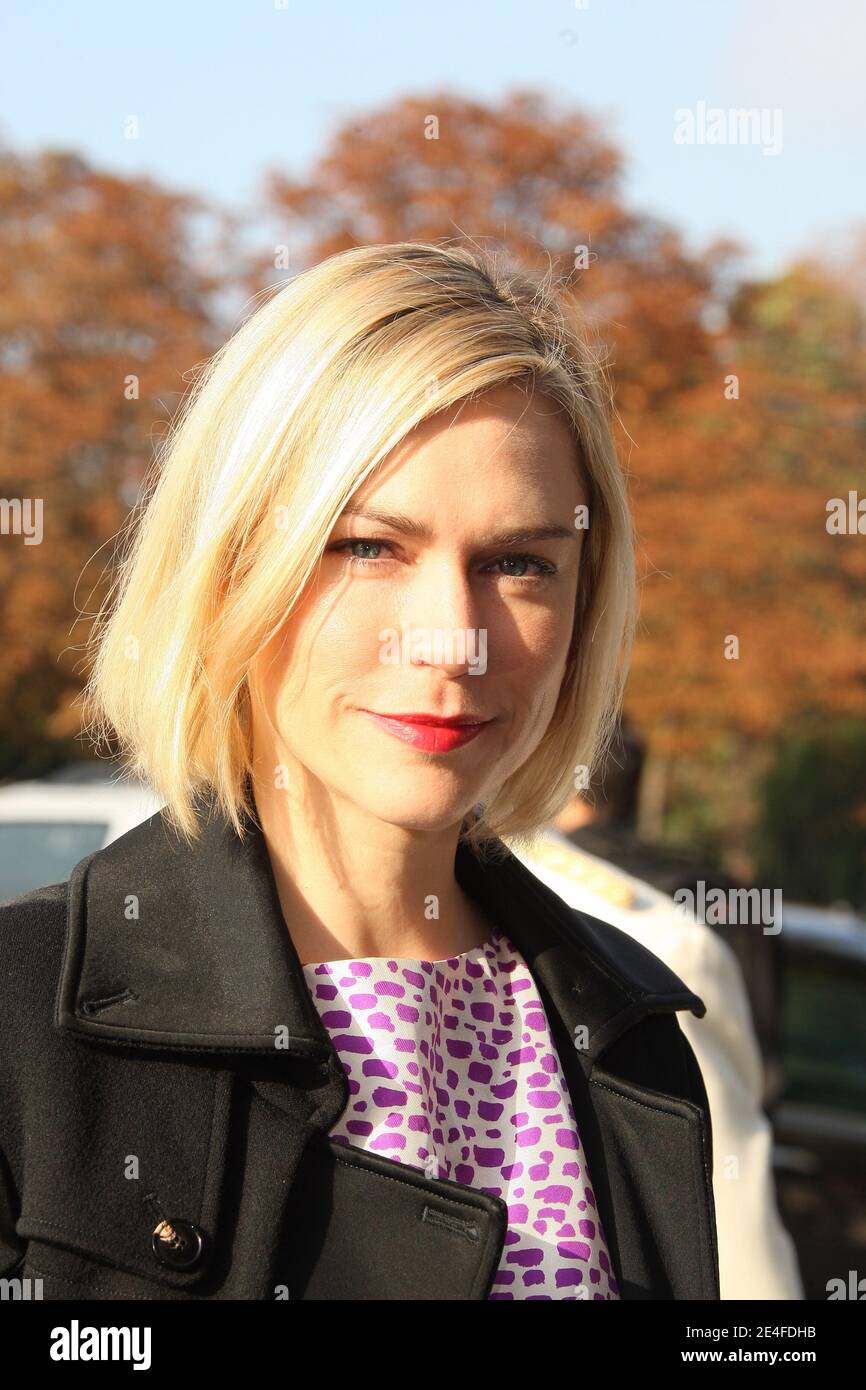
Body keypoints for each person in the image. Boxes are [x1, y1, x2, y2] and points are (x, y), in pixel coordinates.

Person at [0, 241, 719, 1301]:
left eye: (516, 563)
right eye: (369, 547)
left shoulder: (632, 1039)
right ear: (229, 567)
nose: (450, 641)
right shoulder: (22, 1027)